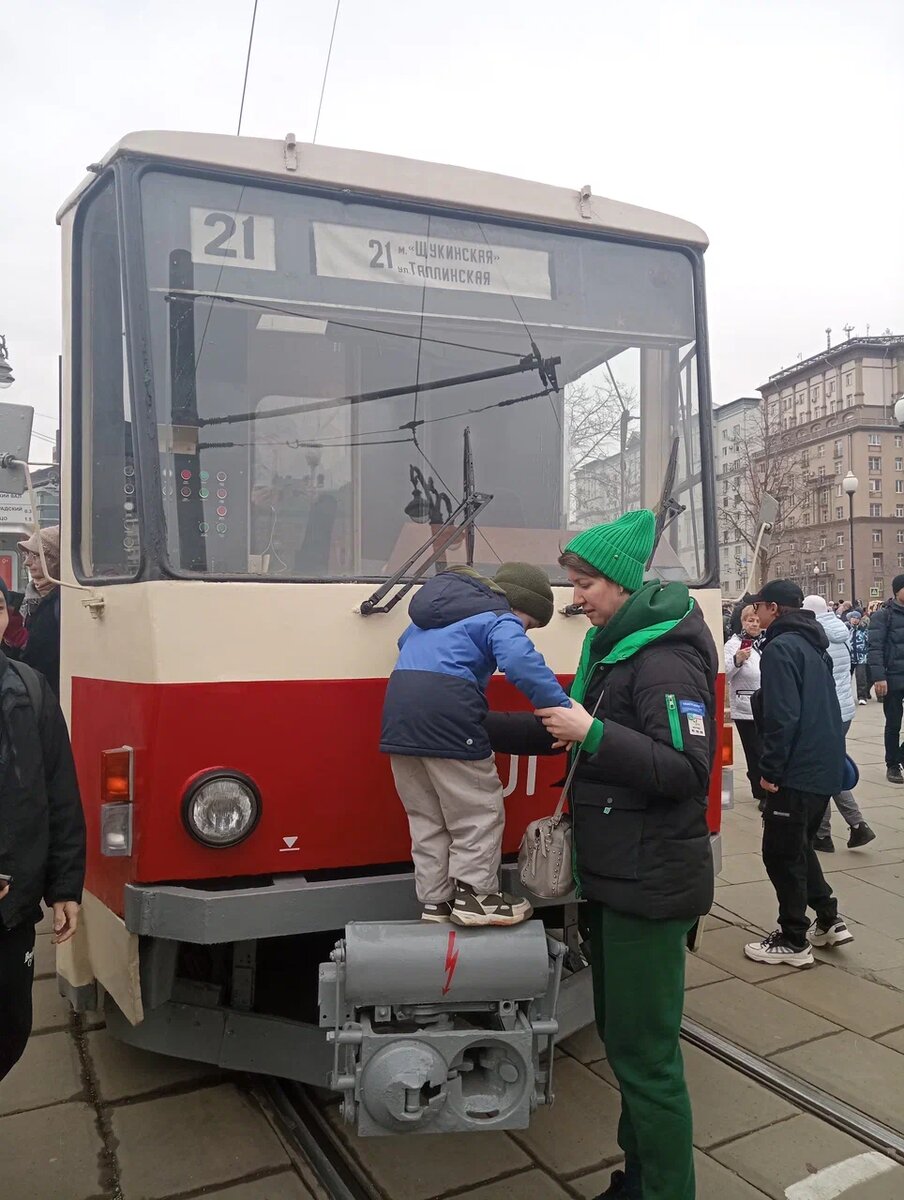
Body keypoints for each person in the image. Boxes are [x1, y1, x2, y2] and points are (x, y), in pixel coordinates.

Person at [485, 509, 717, 1200]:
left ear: (620, 582)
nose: (575, 597)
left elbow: (687, 770)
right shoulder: (617, 652)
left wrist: (591, 732)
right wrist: (465, 723)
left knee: (647, 1060)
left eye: (584, 583)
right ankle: (638, 1181)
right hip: (620, 876)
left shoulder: (664, 659)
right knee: (626, 1044)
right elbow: (563, 732)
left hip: (650, 884)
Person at [380, 562, 570, 926]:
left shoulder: (433, 615)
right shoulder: (499, 616)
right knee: (478, 809)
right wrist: (560, 707)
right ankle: (477, 897)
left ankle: (435, 902)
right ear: (517, 605)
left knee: (426, 816)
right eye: (529, 625)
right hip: (450, 715)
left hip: (399, 720)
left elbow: (403, 644)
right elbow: (519, 660)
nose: (524, 631)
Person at [743, 580, 853, 969]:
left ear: (774, 608)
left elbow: (782, 716)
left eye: (759, 606)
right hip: (823, 765)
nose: (755, 612)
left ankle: (793, 938)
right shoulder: (813, 644)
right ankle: (828, 918)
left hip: (796, 770)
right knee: (799, 846)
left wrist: (769, 770)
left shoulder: (781, 648)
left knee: (780, 853)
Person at [0, 577, 85, 1082]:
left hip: (13, 910)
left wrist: (64, 886)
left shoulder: (30, 690)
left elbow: (59, 792)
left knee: (11, 1030)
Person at [801, 596, 875, 852]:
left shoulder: (816, 637)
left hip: (826, 714)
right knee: (828, 767)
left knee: (823, 772)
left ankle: (833, 831)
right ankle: (849, 828)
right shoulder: (840, 632)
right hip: (844, 711)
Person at [725, 604, 766, 805]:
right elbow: (725, 674)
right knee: (755, 752)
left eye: (757, 621)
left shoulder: (764, 643)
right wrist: (737, 660)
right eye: (750, 620)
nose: (754, 624)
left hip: (766, 706)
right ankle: (760, 793)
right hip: (746, 707)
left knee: (766, 750)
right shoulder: (733, 644)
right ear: (742, 622)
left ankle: (766, 787)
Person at [866, 575, 904, 784]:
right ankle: (892, 765)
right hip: (893, 677)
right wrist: (879, 677)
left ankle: (901, 755)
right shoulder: (883, 615)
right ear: (897, 591)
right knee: (893, 724)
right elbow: (875, 648)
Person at [17, 526, 61, 697]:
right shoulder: (24, 603)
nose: (27, 562)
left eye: (35, 556)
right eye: (26, 555)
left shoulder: (65, 603)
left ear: (55, 560)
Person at [848, 610, 870, 703]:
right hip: (850, 657)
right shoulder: (847, 629)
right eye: (853, 618)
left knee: (861, 677)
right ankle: (847, 696)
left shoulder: (863, 630)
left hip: (861, 657)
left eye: (857, 618)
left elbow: (868, 642)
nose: (855, 620)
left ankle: (862, 697)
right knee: (847, 678)